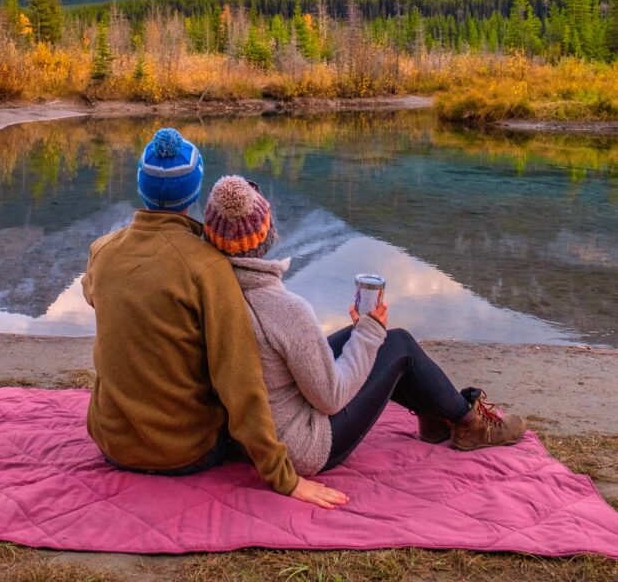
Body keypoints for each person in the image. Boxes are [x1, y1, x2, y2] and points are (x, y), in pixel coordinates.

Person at [81, 127, 348, 508]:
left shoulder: (102, 253)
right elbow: (240, 383)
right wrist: (285, 479)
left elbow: (92, 293)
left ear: (141, 183)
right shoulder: (207, 268)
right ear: (194, 193)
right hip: (186, 452)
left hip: (113, 443)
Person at [202, 175, 527, 479]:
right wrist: (368, 332)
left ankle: (437, 413)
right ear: (267, 233)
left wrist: (361, 337)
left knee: (366, 342)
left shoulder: (206, 287)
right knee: (395, 344)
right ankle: (469, 425)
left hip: (250, 431)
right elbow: (331, 398)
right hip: (300, 447)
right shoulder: (285, 310)